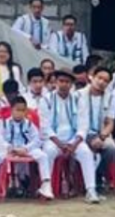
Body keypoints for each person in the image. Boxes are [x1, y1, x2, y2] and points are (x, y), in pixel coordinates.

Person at [40, 69, 98, 203]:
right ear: (55, 82)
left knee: (86, 153)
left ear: (72, 84)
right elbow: (45, 127)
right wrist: (60, 144)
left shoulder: (79, 99)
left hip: (74, 140)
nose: (63, 84)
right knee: (47, 152)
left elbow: (84, 125)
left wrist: (74, 143)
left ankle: (91, 190)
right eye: (61, 81)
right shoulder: (46, 99)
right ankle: (46, 187)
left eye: (67, 82)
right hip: (54, 140)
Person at [1, 96, 51, 199]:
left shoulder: (29, 124)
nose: (20, 113)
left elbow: (37, 139)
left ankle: (46, 185)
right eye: (17, 110)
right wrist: (10, 148)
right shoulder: (4, 124)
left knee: (43, 156)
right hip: (10, 150)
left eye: (23, 110)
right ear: (11, 110)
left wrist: (26, 149)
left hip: (26, 150)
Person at [81, 65, 115, 193]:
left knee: (111, 148)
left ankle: (97, 175)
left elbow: (110, 123)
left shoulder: (111, 97)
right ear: (92, 77)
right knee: (83, 150)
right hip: (82, 134)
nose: (102, 82)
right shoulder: (79, 95)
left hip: (100, 133)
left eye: (106, 80)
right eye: (99, 78)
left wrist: (101, 137)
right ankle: (85, 180)